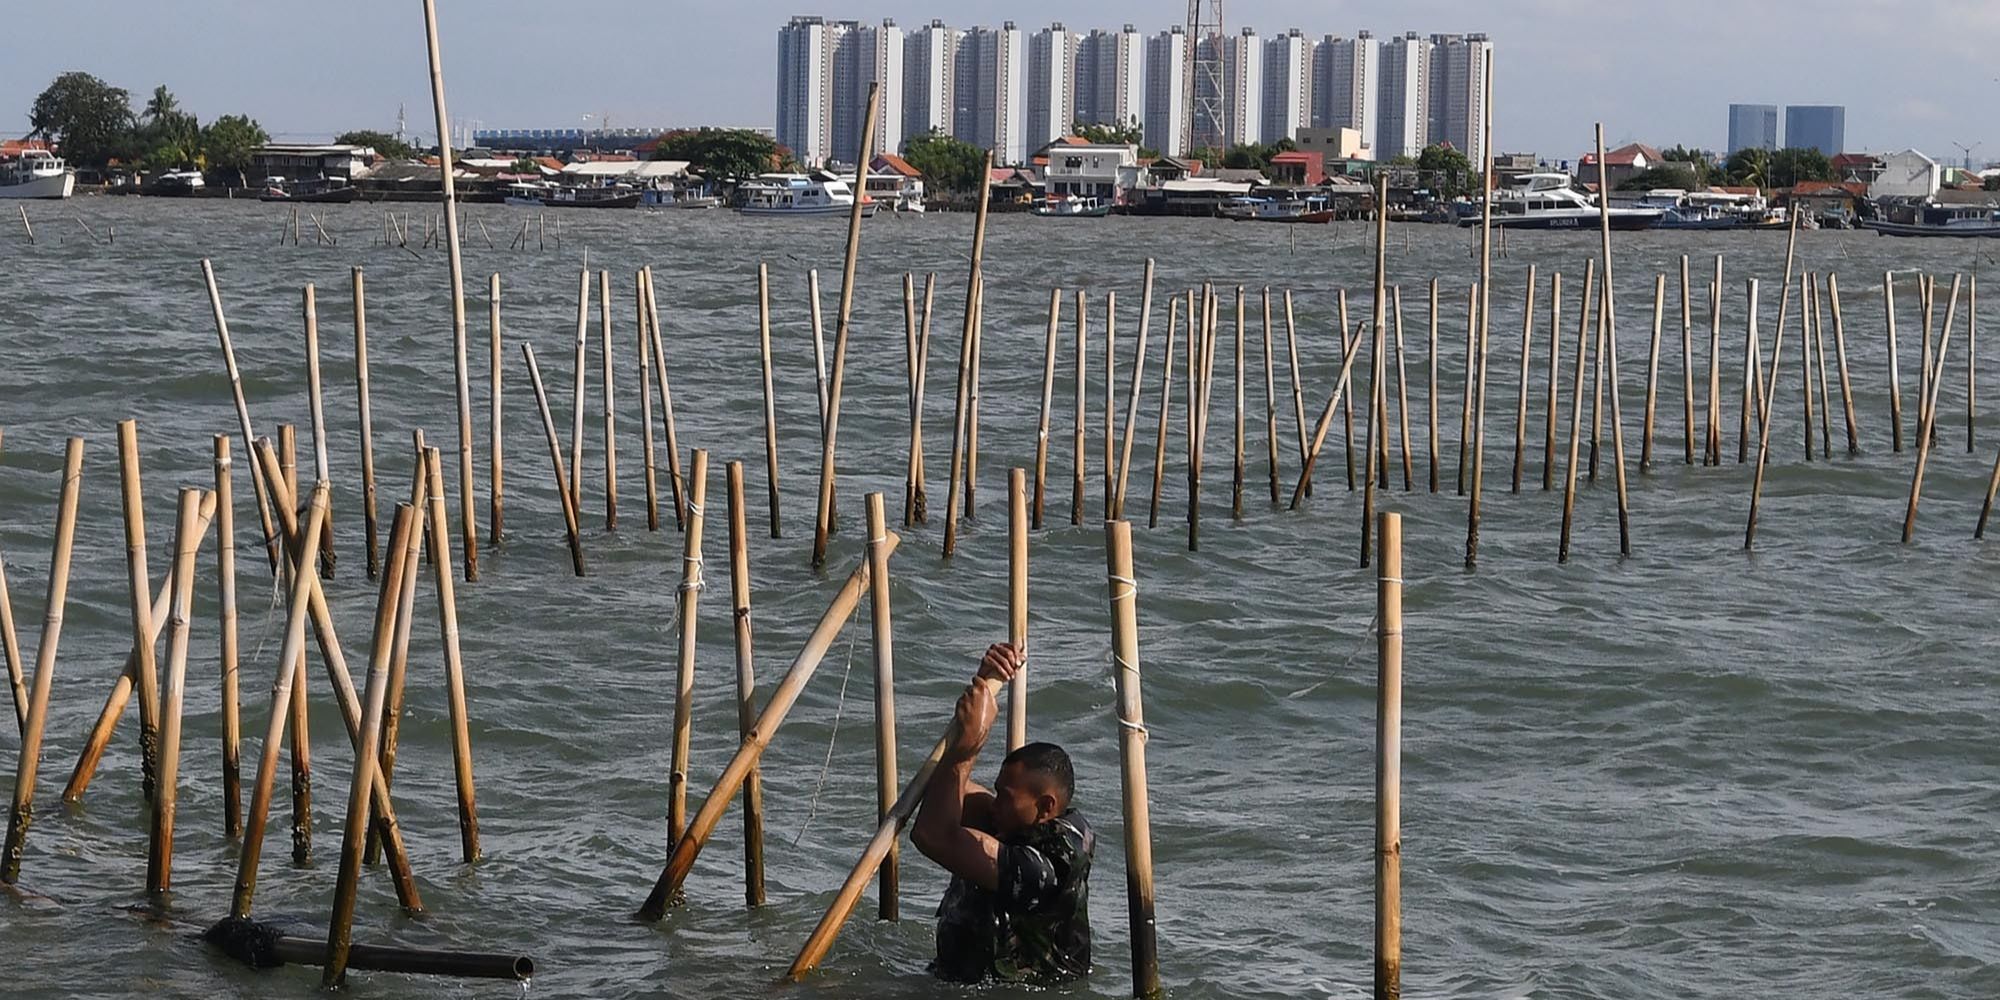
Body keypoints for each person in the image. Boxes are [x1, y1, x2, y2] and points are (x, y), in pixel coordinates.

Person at [911, 642, 1093, 984]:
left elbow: (931, 835)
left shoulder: (1041, 868)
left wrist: (967, 751)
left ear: (1045, 808)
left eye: (1005, 797)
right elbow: (947, 792)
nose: (994, 804)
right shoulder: (1017, 821)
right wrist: (981, 691)